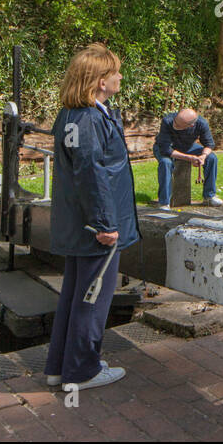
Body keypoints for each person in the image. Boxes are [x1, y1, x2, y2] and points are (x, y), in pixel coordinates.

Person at [44, 43, 139, 391]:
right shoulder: (88, 118)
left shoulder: (72, 115)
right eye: (114, 72)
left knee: (74, 294)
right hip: (94, 227)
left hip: (77, 224)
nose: (119, 77)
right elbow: (91, 173)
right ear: (100, 81)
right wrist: (105, 224)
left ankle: (60, 367)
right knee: (93, 298)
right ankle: (82, 372)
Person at [154, 108, 221, 209]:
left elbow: (209, 144)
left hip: (188, 147)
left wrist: (203, 156)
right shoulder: (167, 121)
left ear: (191, 125)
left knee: (211, 158)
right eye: (175, 122)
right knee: (165, 163)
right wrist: (189, 158)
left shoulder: (201, 123)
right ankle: (164, 203)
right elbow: (165, 149)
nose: (174, 125)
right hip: (165, 147)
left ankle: (209, 196)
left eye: (178, 126)